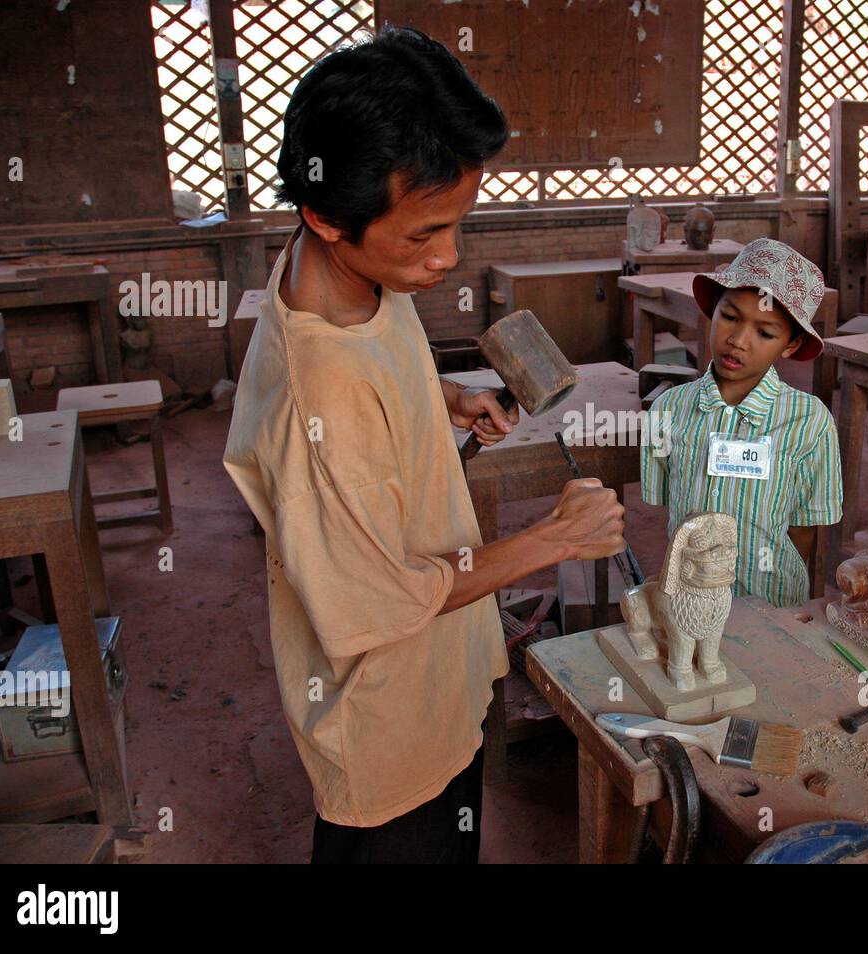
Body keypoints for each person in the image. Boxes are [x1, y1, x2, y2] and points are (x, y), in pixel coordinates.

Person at [222, 27, 625, 864]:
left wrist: (446, 396)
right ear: (327, 216)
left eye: (458, 225)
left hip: (437, 682)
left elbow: (377, 369)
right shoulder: (316, 401)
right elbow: (377, 605)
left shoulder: (346, 274)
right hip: (386, 722)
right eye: (422, 235)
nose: (448, 258)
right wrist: (555, 540)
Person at [641, 239, 841, 608]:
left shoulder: (810, 422)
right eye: (730, 317)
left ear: (791, 345)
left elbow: (803, 529)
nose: (738, 340)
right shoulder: (667, 411)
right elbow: (671, 514)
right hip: (688, 599)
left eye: (765, 333)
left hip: (770, 602)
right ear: (712, 311)